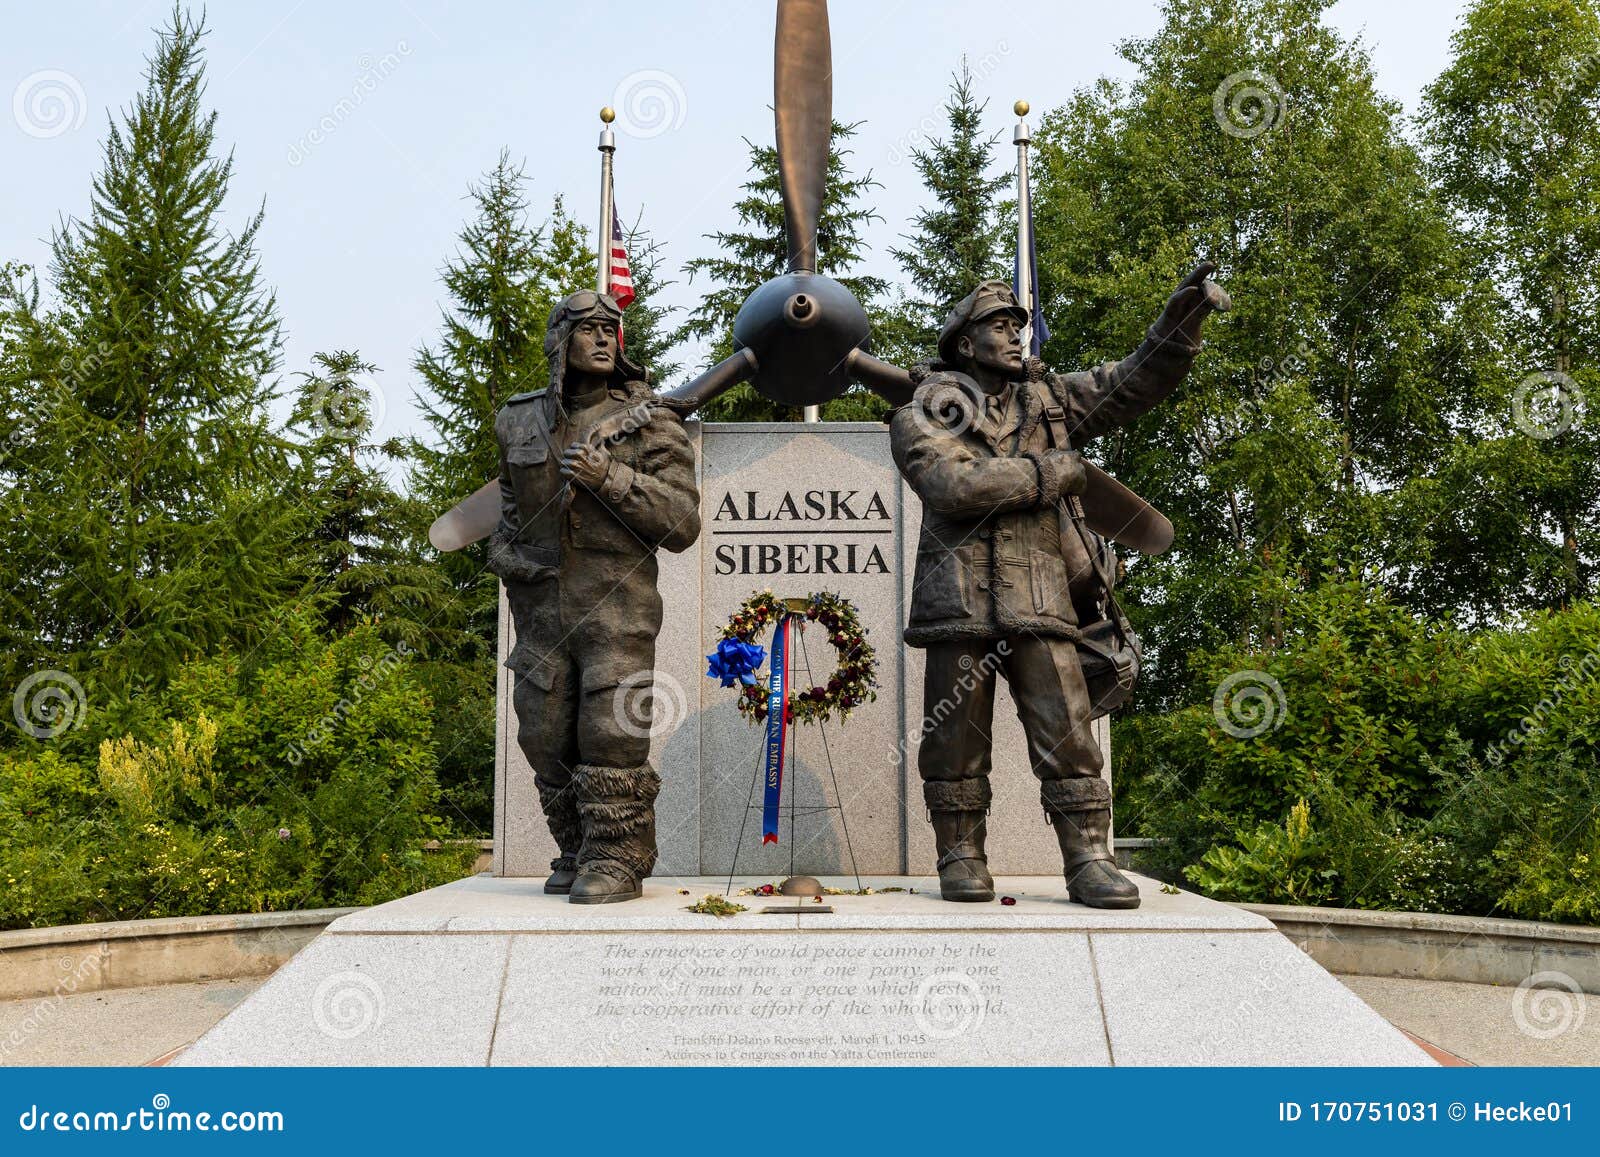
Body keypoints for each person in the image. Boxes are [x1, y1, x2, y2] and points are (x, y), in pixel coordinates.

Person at [889, 265, 1228, 908]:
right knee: (954, 739)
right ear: (964, 343)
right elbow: (952, 488)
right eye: (999, 325)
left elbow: (1128, 384)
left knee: (1068, 733)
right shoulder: (920, 414)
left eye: (1018, 325)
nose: (1016, 335)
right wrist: (1055, 472)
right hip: (957, 603)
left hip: (1040, 598)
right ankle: (960, 856)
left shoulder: (1051, 402)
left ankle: (1089, 859)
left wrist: (1178, 326)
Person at [487, 290, 699, 903]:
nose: (606, 339)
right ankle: (575, 848)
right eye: (590, 330)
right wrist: (503, 555)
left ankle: (617, 859)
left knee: (612, 732)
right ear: (560, 341)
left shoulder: (651, 422)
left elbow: (683, 521)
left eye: (614, 330)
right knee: (542, 734)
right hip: (540, 610)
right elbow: (508, 509)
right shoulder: (519, 420)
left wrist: (611, 478)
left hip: (618, 607)